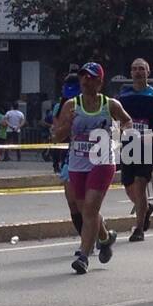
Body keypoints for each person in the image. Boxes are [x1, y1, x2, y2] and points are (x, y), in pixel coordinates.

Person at [53, 63, 130, 273]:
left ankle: (83, 255)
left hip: (103, 162)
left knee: (90, 208)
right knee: (85, 209)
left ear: (100, 81)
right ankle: (105, 238)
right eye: (83, 77)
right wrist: (67, 125)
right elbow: (57, 136)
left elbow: (127, 121)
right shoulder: (71, 105)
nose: (86, 81)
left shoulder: (110, 104)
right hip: (78, 163)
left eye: (91, 77)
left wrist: (119, 134)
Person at [118, 58, 153, 241]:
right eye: (134, 69)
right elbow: (115, 116)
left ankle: (139, 229)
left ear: (148, 73)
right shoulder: (124, 95)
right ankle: (146, 208)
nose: (137, 72)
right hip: (128, 146)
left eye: (141, 69)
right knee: (129, 187)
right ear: (131, 73)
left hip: (147, 147)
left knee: (140, 184)